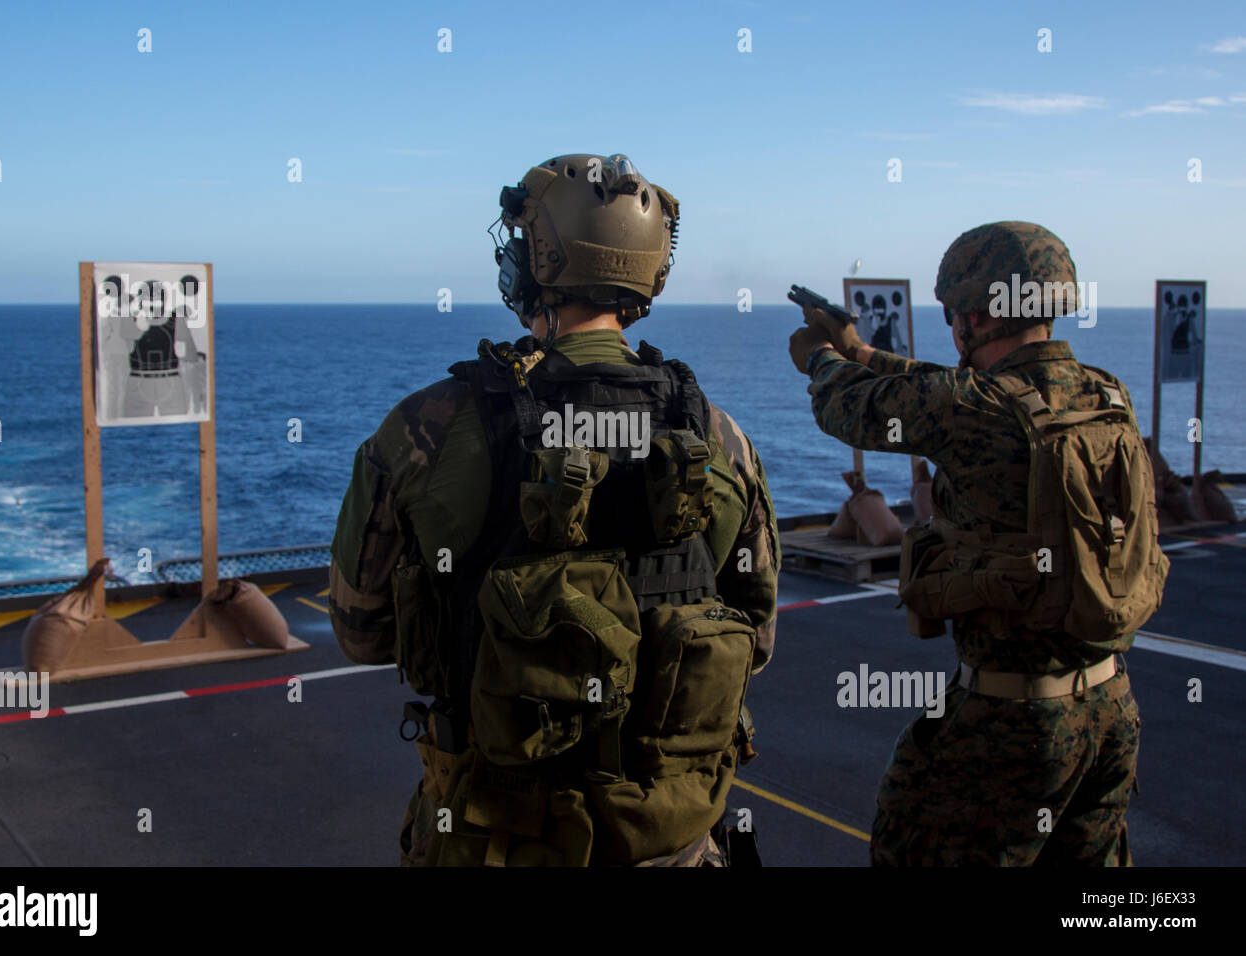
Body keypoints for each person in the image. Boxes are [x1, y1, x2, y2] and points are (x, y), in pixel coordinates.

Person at [330, 153, 779, 866]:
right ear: (647, 272)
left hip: (497, 838)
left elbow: (362, 633)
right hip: (673, 840)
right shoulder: (720, 438)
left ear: (534, 265)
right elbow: (753, 637)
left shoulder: (430, 426)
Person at [788, 220, 1166, 866]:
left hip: (1011, 726)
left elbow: (849, 408)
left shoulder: (972, 407)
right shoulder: (1104, 393)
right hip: (1108, 709)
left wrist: (822, 358)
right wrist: (862, 349)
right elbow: (955, 394)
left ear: (977, 313)